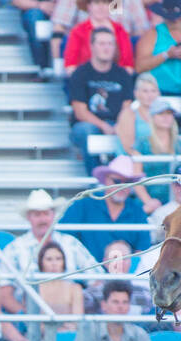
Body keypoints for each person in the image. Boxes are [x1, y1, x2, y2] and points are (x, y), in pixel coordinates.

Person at [0, 189, 101, 312]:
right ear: (29, 217)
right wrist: (26, 319)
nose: (43, 220)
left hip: (70, 315)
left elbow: (98, 278)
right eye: (37, 215)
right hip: (30, 318)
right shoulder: (15, 249)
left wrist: (81, 306)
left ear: (53, 215)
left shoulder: (71, 243)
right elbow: (3, 291)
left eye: (46, 214)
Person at [69, 28, 136, 174]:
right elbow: (80, 112)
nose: (106, 48)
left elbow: (127, 107)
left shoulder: (123, 74)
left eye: (110, 44)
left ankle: (125, 179)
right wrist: (104, 126)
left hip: (117, 123)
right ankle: (96, 181)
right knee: (87, 131)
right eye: (102, 43)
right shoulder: (80, 74)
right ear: (92, 46)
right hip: (88, 124)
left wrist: (119, 126)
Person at [62, 155, 152, 260]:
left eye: (127, 182)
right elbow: (65, 240)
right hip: (86, 273)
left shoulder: (137, 211)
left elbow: (142, 250)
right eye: (117, 181)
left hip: (124, 274)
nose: (122, 187)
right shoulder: (82, 206)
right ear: (105, 180)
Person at [67, 0, 135, 73]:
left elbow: (128, 66)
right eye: (96, 3)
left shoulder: (120, 31)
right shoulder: (78, 31)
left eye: (105, 3)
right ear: (89, 6)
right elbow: (70, 66)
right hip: (85, 78)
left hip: (116, 80)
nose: (101, 7)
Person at [35, 242, 85, 330]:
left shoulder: (75, 289)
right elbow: (33, 324)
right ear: (41, 262)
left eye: (58, 259)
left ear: (64, 262)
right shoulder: (34, 289)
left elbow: (78, 321)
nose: (54, 263)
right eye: (49, 259)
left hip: (68, 336)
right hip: (40, 337)